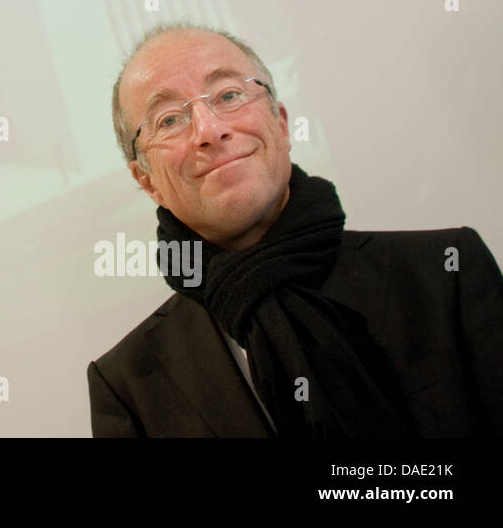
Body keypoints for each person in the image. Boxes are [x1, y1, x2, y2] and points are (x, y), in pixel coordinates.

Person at [87, 22, 503, 437]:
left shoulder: (447, 275)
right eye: (170, 119)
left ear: (282, 124)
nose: (210, 131)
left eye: (229, 95)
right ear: (147, 181)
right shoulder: (126, 384)